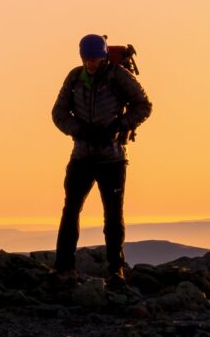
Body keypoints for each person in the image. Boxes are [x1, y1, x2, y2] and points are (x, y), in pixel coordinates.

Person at [51, 34, 153, 284]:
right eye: (86, 59)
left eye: (94, 59)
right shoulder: (74, 78)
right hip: (82, 155)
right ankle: (64, 268)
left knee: (113, 214)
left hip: (112, 158)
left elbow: (144, 105)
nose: (90, 64)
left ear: (104, 56)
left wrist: (119, 126)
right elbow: (58, 112)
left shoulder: (119, 76)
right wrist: (77, 129)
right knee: (71, 210)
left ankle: (115, 269)